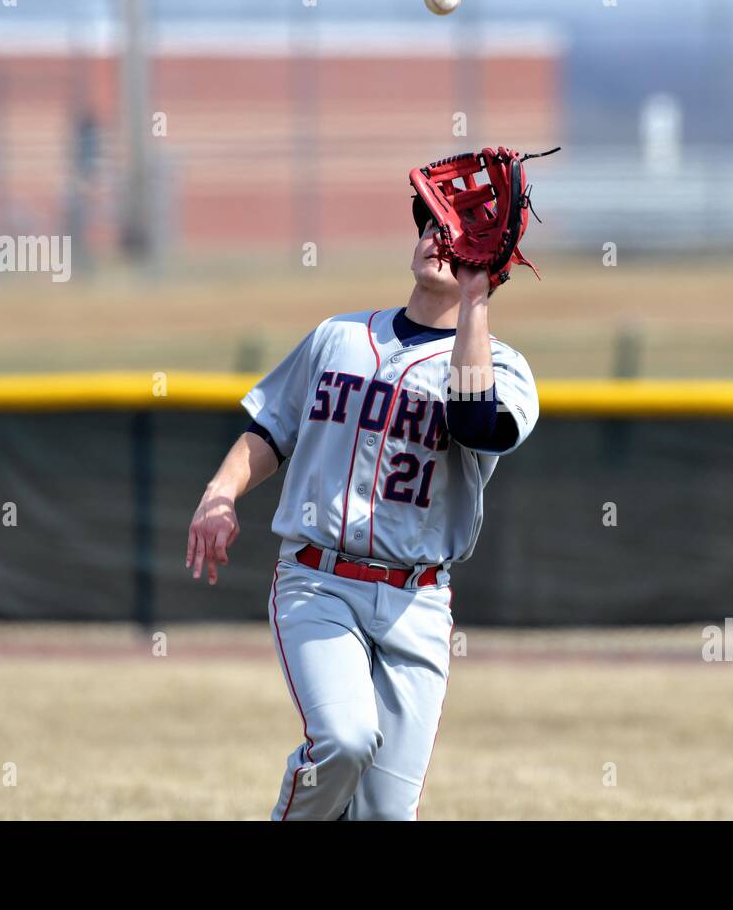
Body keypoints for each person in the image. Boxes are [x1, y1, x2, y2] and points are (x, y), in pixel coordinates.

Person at [186, 205, 539, 820]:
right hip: (319, 581)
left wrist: (476, 299)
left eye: (459, 237)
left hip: (417, 602)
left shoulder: (502, 369)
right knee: (345, 741)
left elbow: (476, 423)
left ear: (488, 265)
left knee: (385, 815)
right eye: (433, 226)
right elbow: (270, 429)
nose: (438, 239)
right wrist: (220, 493)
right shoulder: (339, 336)